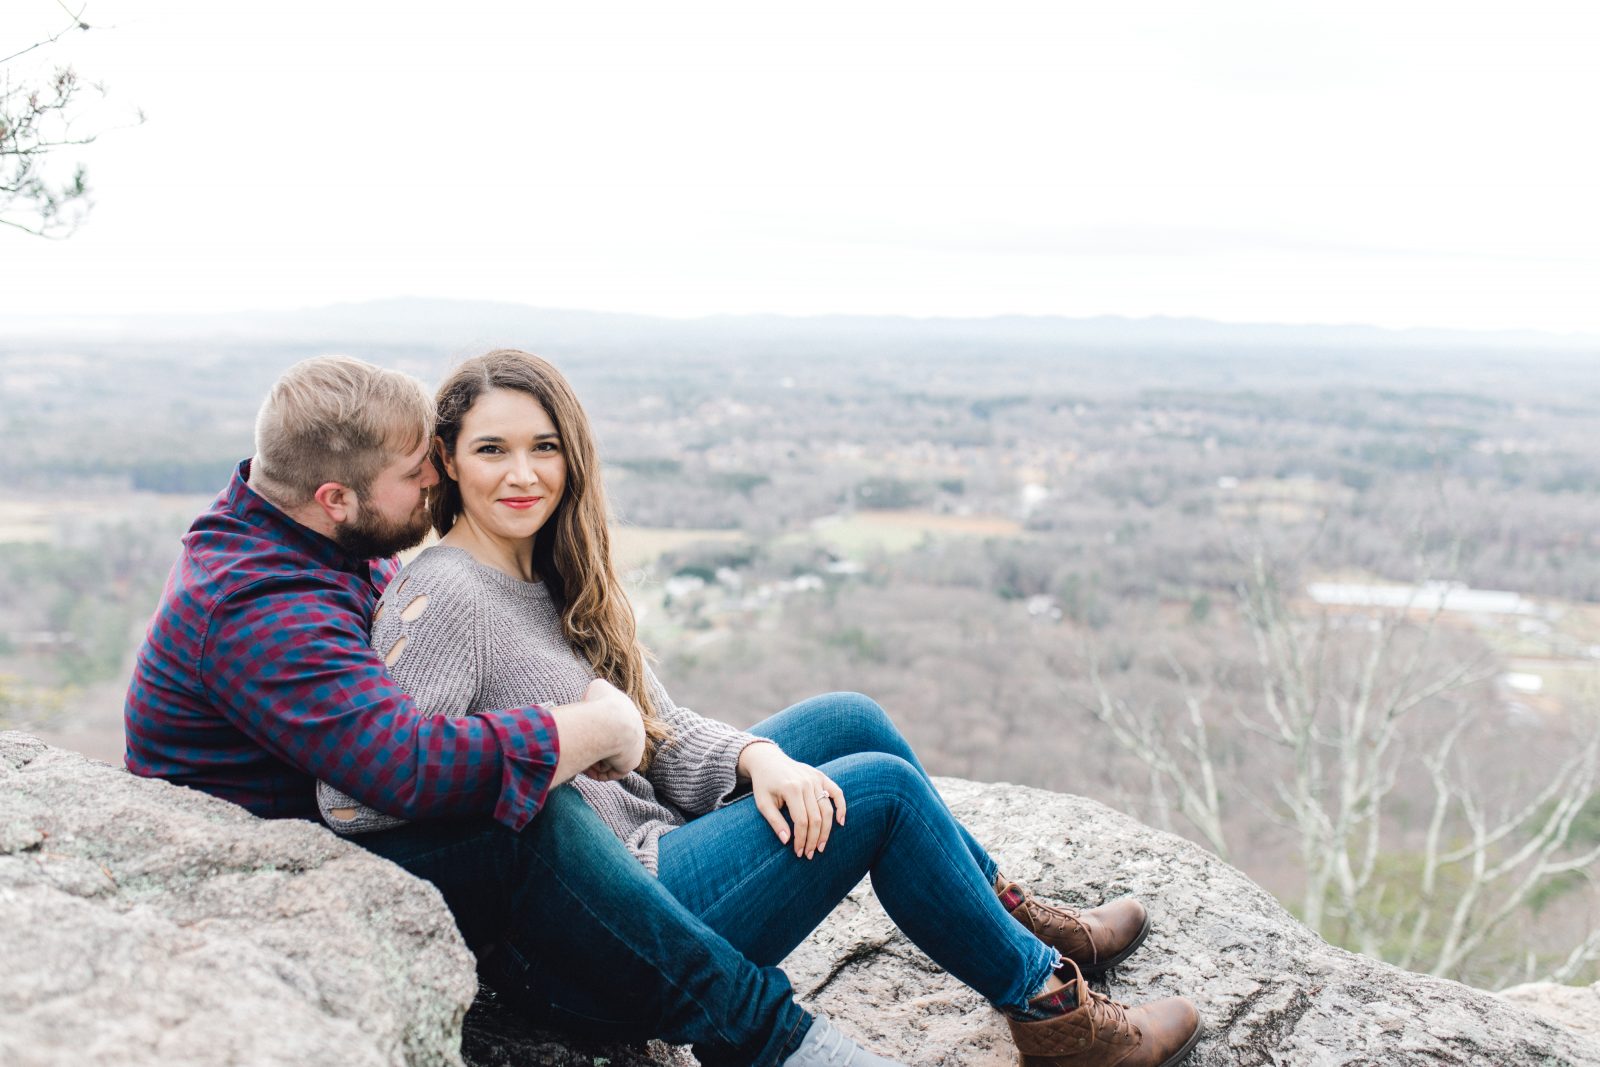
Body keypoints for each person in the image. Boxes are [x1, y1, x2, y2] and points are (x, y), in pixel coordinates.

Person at [317, 349, 1205, 1067]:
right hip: (612, 921)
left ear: (572, 455)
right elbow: (376, 788)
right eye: (492, 449)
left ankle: (1010, 915)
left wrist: (759, 761)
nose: (523, 473)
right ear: (450, 466)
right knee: (881, 793)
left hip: (655, 852)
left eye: (543, 446)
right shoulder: (445, 598)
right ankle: (1056, 1015)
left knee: (847, 720)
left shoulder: (550, 579)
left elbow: (660, 733)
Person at [123, 355, 897, 1067]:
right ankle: (767, 1036)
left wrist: (735, 753)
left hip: (368, 829)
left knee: (841, 722)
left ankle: (995, 918)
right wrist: (587, 728)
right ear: (335, 498)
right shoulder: (262, 605)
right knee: (534, 805)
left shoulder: (320, 540)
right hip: (288, 872)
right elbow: (396, 767)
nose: (436, 479)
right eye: (415, 470)